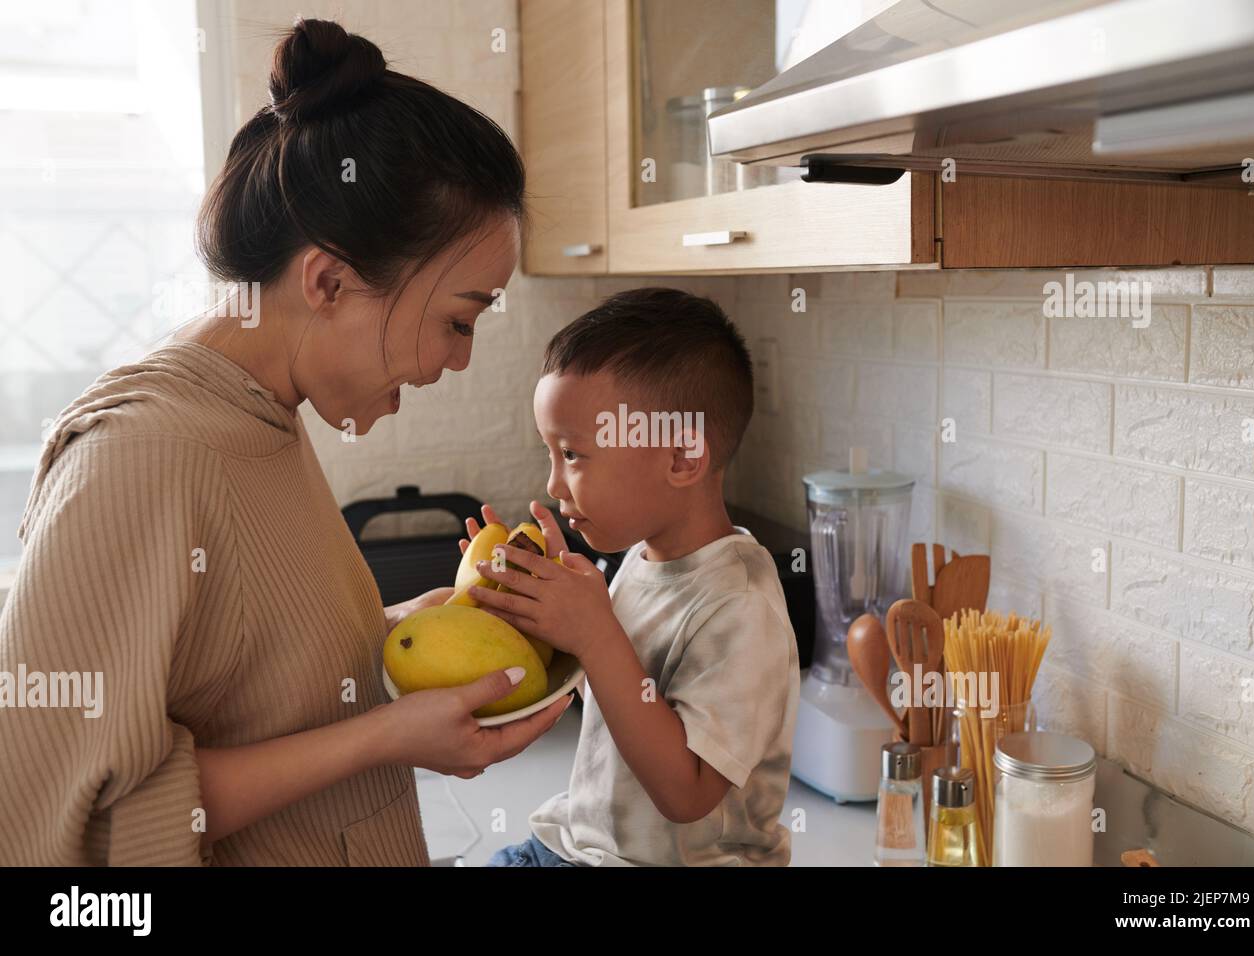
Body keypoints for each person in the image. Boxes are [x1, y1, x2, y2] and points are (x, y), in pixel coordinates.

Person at [0, 18, 568, 867]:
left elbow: (242, 681)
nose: (459, 359)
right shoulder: (141, 458)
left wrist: (404, 629)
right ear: (329, 279)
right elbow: (67, 823)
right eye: (459, 319)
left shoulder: (260, 416)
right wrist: (381, 738)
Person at [474, 288, 801, 866]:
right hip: (581, 846)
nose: (553, 483)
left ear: (681, 458)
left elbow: (687, 793)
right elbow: (615, 685)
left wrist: (595, 631)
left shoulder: (740, 605)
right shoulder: (642, 556)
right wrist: (539, 610)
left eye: (573, 455)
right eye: (551, 453)